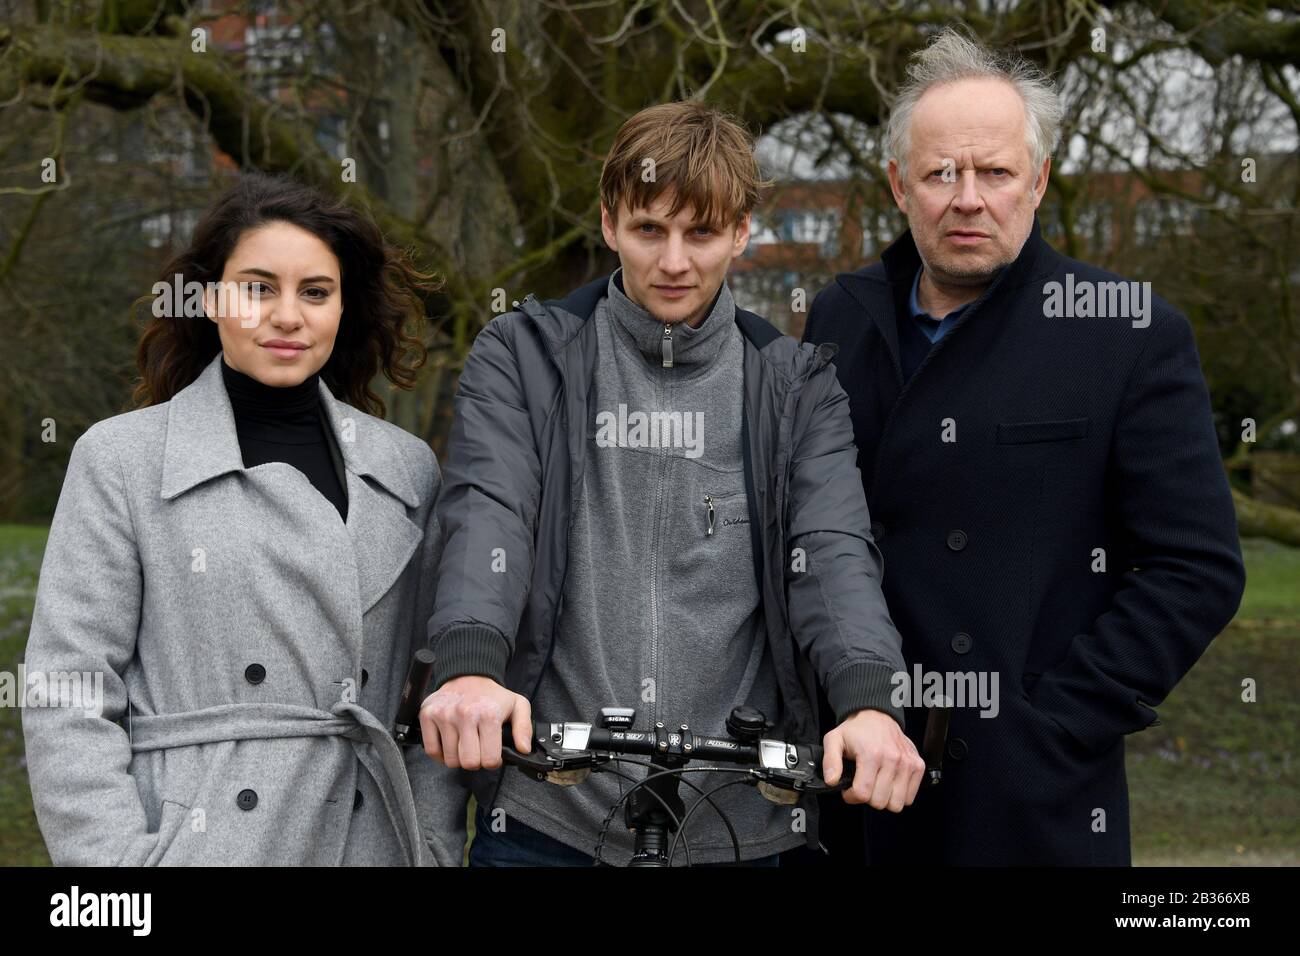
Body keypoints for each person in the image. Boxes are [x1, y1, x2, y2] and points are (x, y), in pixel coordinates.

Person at [419, 101, 925, 867]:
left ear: (743, 231)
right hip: (547, 818)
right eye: (650, 230)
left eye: (702, 233)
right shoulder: (524, 356)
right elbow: (488, 513)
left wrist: (869, 702)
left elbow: (829, 552)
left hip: (742, 826)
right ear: (609, 222)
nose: (675, 262)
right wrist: (469, 665)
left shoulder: (795, 386)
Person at [803, 29, 1246, 865]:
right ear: (900, 185)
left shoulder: (1126, 333)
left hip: (1023, 801)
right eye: (941, 173)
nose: (967, 198)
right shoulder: (839, 320)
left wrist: (1056, 724)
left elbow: (1199, 570)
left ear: (1038, 180)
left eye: (996, 172)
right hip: (854, 776)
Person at [22, 172, 468, 866]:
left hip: (369, 843)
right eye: (258, 288)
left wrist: (431, 846)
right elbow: (68, 691)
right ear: (209, 300)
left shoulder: (406, 469)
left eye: (315, 292)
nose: (287, 316)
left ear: (343, 307)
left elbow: (433, 686)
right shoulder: (123, 460)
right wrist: (115, 870)